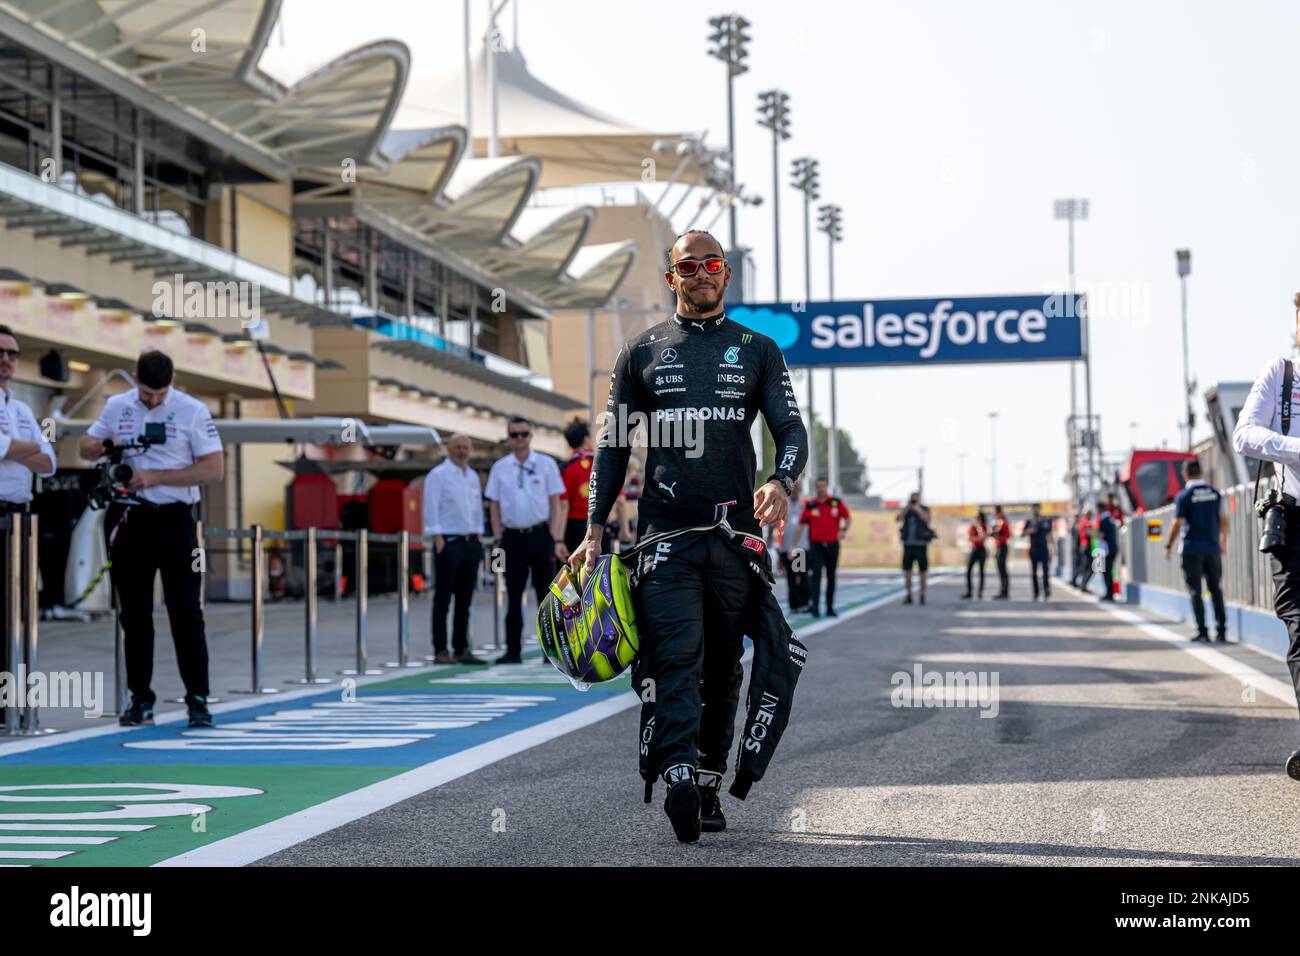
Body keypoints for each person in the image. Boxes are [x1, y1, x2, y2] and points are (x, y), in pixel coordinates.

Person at [573, 228, 809, 842]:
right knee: (675, 656)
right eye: (688, 265)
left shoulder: (759, 349)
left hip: (736, 538)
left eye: (712, 264)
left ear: (725, 275)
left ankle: (706, 781)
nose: (701, 272)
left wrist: (781, 482)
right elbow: (613, 446)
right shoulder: (640, 353)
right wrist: (594, 529)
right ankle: (676, 768)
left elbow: (790, 429)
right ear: (671, 277)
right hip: (664, 536)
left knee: (725, 667)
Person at [78, 350, 223, 729]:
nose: (153, 401)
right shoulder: (117, 405)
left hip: (176, 519)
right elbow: (85, 445)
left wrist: (158, 477)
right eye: (147, 394)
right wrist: (105, 446)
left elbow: (214, 468)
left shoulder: (193, 410)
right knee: (134, 613)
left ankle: (198, 699)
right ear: (136, 382)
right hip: (129, 517)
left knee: (186, 612)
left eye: (160, 394)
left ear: (171, 383)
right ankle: (140, 698)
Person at [484, 416, 566, 664]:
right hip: (511, 539)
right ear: (508, 438)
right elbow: (494, 505)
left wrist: (555, 535)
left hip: (541, 535)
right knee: (513, 594)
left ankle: (549, 653)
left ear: (530, 436)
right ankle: (512, 651)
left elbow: (556, 502)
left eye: (523, 434)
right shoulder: (500, 467)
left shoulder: (546, 464)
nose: (519, 438)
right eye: (514, 434)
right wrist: (498, 537)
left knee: (547, 596)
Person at [0, 326, 55, 686]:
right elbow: (4, 450)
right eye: (0, 353)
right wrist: (23, 449)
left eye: (13, 354)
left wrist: (15, 447)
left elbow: (48, 462)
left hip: (20, 518)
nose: (6, 360)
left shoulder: (20, 408)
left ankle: (10, 702)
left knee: (17, 610)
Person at [423, 433, 489, 666]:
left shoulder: (471, 476)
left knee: (465, 599)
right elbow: (430, 507)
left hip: (471, 542)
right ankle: (441, 649)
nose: (462, 451)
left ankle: (461, 648)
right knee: (443, 599)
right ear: (449, 449)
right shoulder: (438, 476)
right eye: (458, 447)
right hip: (449, 543)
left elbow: (476, 509)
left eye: (465, 448)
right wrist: (437, 537)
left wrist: (479, 535)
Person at [1163, 459, 1227, 641]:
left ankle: (1203, 631)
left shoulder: (1184, 497)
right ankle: (1222, 630)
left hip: (1191, 549)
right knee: (1216, 589)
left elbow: (1177, 523)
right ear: (1202, 472)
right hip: (1212, 548)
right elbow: (1223, 519)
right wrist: (1223, 541)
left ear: (1184, 475)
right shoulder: (1215, 494)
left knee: (1195, 591)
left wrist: (1168, 545)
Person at [800, 477, 850, 617]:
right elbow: (802, 522)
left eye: (823, 486)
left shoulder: (836, 503)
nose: (821, 488)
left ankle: (830, 607)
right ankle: (814, 607)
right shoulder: (810, 504)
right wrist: (794, 543)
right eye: (818, 486)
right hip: (816, 545)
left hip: (832, 545)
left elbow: (847, 517)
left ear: (827, 487)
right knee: (815, 576)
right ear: (816, 488)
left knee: (831, 576)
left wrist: (843, 530)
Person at [771, 478, 810, 613]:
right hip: (785, 548)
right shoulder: (783, 504)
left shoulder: (804, 505)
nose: (794, 491)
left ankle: (804, 603)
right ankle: (794, 605)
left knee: (802, 576)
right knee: (791, 577)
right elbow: (772, 522)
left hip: (800, 548)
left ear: (800, 490)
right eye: (792, 489)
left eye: (797, 488)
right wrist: (771, 540)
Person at [897, 491, 933, 606]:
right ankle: (909, 595)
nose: (914, 501)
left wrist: (918, 509)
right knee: (907, 571)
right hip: (908, 545)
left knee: (922, 571)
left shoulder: (924, 509)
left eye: (916, 499)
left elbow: (927, 520)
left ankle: (922, 594)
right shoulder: (907, 510)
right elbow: (898, 519)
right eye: (913, 499)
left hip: (921, 545)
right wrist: (907, 508)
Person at [1022, 503, 1053, 601]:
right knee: (1034, 572)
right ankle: (1036, 592)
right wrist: (1029, 531)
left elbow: (1049, 534)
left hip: (1044, 549)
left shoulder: (1045, 520)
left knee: (1045, 571)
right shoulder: (1029, 521)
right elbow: (1022, 533)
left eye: (1037, 509)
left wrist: (1052, 549)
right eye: (1034, 509)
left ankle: (1046, 589)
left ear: (1040, 509)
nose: (1035, 511)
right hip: (1033, 549)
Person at [1095, 501, 1119, 601]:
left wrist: (1092, 534)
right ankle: (1110, 593)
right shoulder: (1110, 518)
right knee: (1109, 572)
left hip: (1107, 550)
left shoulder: (1104, 520)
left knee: (1106, 572)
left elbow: (1101, 535)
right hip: (1113, 548)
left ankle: (1109, 594)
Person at [962, 511, 989, 599]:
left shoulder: (984, 527)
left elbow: (983, 537)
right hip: (974, 550)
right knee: (969, 570)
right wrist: (978, 538)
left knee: (981, 571)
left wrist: (979, 528)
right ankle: (969, 591)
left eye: (978, 518)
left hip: (982, 550)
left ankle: (980, 592)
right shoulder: (972, 527)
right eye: (976, 518)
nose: (977, 519)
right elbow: (970, 538)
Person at [991, 504, 1011, 600]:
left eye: (993, 509)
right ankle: (1003, 591)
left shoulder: (1001, 519)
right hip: (999, 547)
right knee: (1000, 570)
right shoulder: (997, 520)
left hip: (1002, 547)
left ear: (997, 510)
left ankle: (1004, 592)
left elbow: (1006, 534)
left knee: (1002, 570)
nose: (992, 511)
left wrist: (999, 537)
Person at [1073, 509, 1095, 591]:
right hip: (1086, 546)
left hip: (1083, 546)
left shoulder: (1082, 522)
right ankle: (1081, 583)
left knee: (1085, 567)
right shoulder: (1086, 523)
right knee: (1089, 568)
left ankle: (1081, 583)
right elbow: (1090, 531)